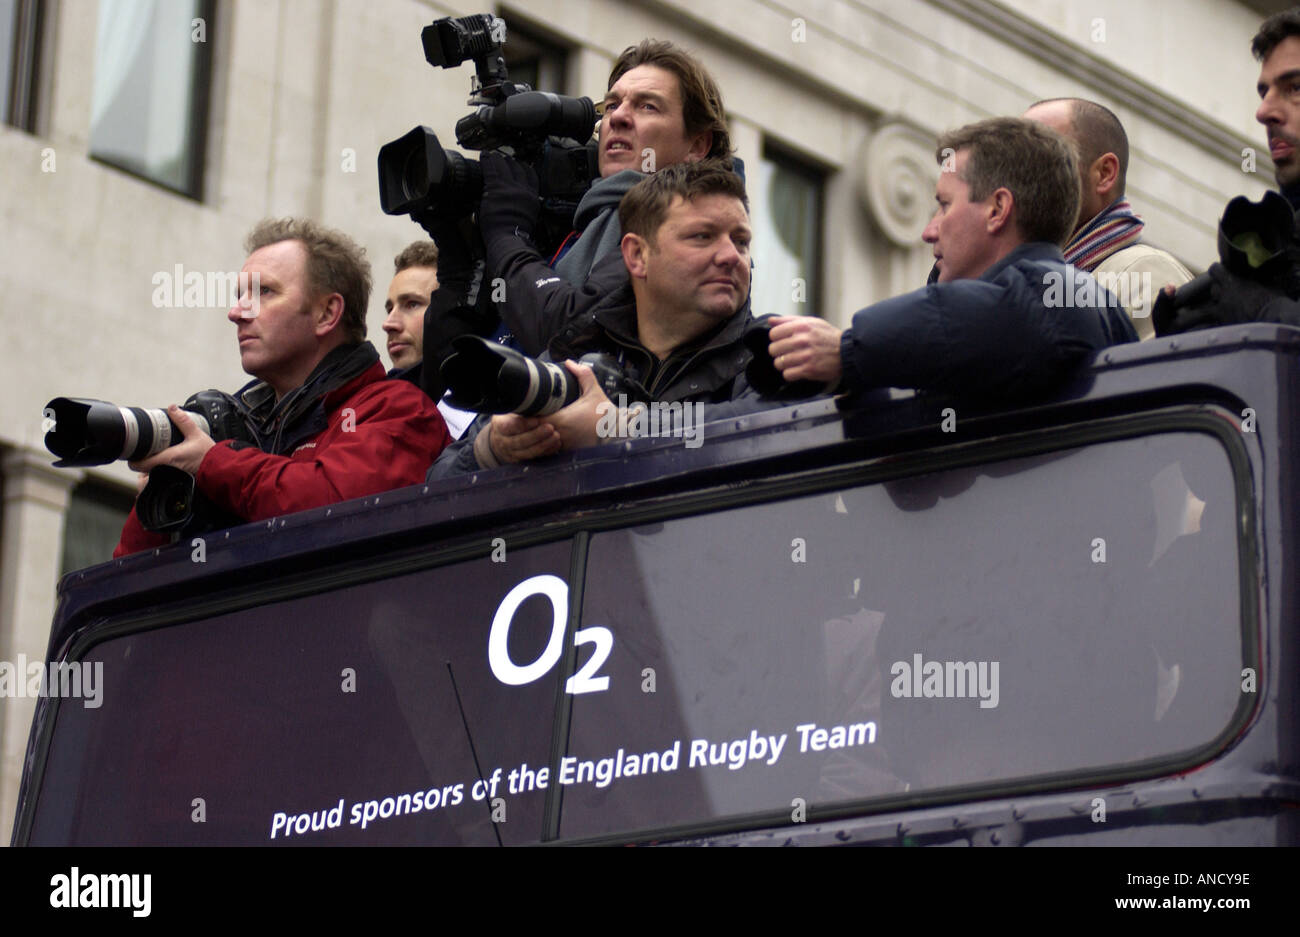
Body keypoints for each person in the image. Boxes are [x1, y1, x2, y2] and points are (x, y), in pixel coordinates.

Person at [114, 219, 450, 557]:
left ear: (327, 313)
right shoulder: (240, 430)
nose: (236, 313)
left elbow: (332, 511)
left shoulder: (400, 410)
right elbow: (126, 578)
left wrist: (213, 465)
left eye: (264, 292)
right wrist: (161, 501)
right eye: (239, 296)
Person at [420, 37, 733, 397]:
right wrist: (458, 256)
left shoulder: (688, 235)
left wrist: (507, 234)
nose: (618, 117)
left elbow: (567, 330)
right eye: (612, 105)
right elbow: (446, 392)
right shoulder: (578, 227)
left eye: (647, 106)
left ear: (697, 146)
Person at [764, 117, 1136, 399]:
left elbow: (965, 318)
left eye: (944, 205)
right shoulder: (1056, 316)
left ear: (997, 209)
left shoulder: (1052, 298)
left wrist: (844, 351)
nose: (928, 231)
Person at [430, 159, 756, 476]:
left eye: (741, 241)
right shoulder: (575, 351)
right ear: (637, 255)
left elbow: (774, 419)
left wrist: (618, 428)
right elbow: (436, 480)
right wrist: (495, 449)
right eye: (702, 236)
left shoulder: (770, 354)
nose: (731, 256)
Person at [1024, 97, 1193, 339]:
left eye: (1037, 156)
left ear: (1104, 174)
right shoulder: (1026, 282)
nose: (1016, 173)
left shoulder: (1142, 274)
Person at [382, 240, 475, 439]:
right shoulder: (371, 409)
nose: (388, 323)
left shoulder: (488, 411)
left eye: (412, 304)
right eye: (390, 309)